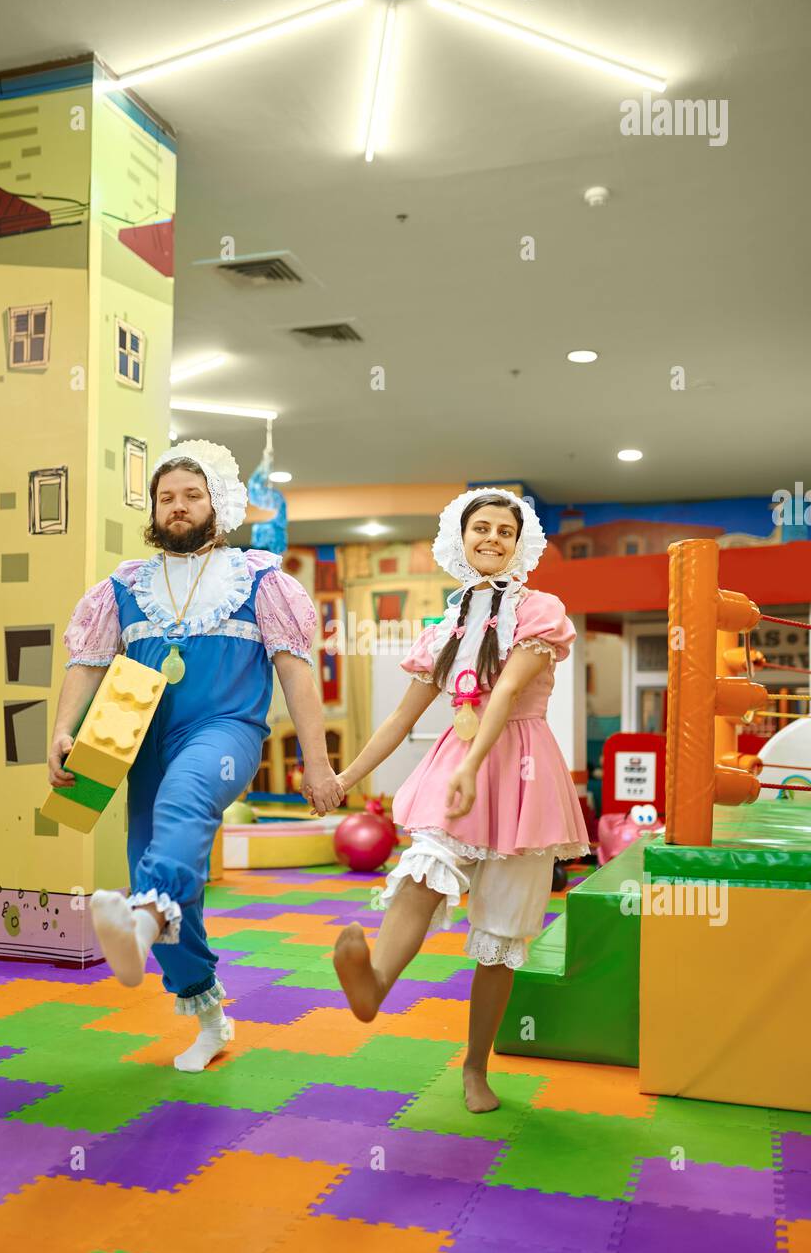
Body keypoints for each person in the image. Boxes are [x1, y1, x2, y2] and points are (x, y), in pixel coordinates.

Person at [47, 440, 342, 1071]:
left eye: (192, 496)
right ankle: (208, 1014)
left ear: (218, 504)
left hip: (225, 729)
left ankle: (145, 912)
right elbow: (88, 662)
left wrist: (315, 764)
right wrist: (63, 731)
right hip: (133, 736)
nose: (177, 507)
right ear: (154, 509)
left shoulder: (260, 580)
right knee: (159, 862)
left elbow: (297, 674)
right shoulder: (122, 587)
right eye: (166, 498)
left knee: (183, 807)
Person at [333, 488, 589, 1112]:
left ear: (520, 542)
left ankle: (476, 1069)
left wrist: (474, 765)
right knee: (423, 870)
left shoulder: (541, 610)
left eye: (506, 530)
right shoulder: (446, 626)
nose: (492, 539)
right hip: (459, 762)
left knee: (501, 934)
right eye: (482, 528)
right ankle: (373, 987)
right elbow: (400, 717)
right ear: (461, 536)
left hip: (522, 771)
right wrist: (346, 778)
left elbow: (504, 697)